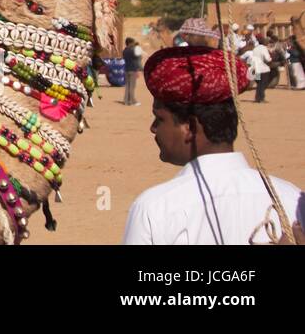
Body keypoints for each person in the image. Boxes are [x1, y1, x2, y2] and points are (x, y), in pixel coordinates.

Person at [123, 46, 302, 244]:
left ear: (190, 127)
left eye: (159, 118)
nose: (153, 128)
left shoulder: (155, 208)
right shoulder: (291, 198)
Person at [241, 34, 273, 103]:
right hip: (263, 69)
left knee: (259, 84)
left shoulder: (255, 48)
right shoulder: (264, 48)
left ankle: (258, 98)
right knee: (263, 84)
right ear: (263, 41)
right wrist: (271, 60)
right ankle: (261, 98)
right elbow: (267, 59)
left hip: (255, 69)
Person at [122, 36, 144, 105]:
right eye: (132, 43)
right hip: (133, 69)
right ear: (130, 43)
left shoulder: (125, 50)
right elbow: (137, 60)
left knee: (128, 86)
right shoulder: (133, 50)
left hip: (126, 69)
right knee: (132, 87)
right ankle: (132, 101)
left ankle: (126, 101)